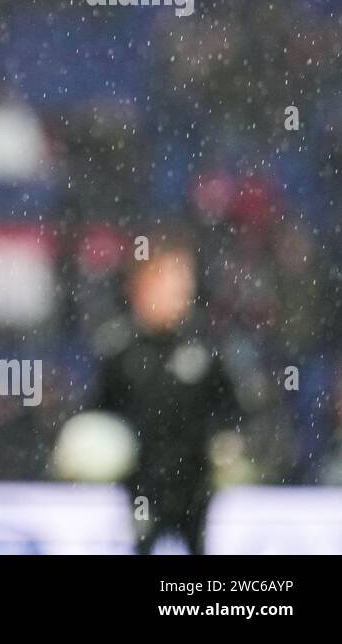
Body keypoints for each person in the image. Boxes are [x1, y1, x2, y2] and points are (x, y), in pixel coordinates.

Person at [90, 232, 245, 555]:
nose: (182, 292)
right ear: (143, 287)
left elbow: (233, 410)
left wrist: (228, 443)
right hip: (140, 489)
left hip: (196, 488)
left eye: (184, 282)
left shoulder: (206, 347)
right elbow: (97, 417)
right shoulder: (120, 351)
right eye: (172, 282)